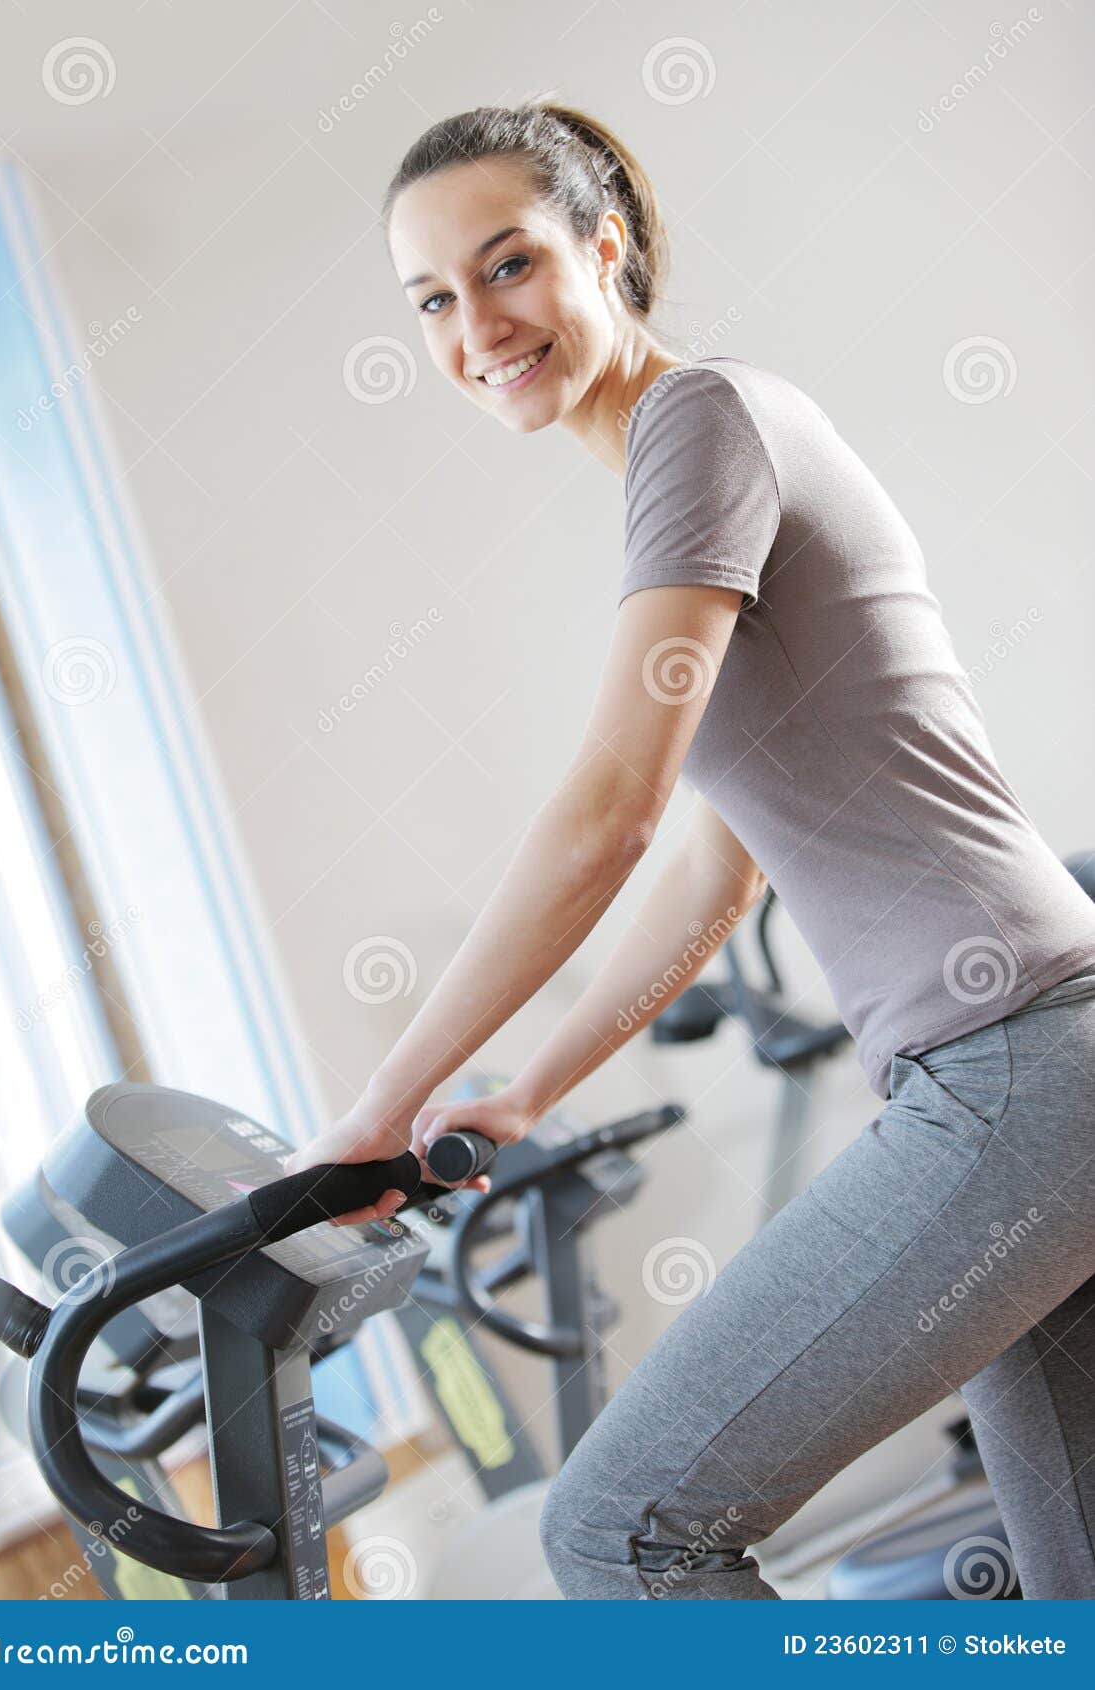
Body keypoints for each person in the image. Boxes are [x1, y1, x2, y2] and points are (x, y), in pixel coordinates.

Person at [285, 99, 1095, 1599]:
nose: (477, 324)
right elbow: (717, 871)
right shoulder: (713, 450)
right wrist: (526, 1084)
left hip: (1012, 1073)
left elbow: (613, 808)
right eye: (434, 300)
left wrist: (376, 1107)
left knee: (620, 1532)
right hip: (1041, 1070)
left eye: (510, 263)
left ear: (607, 250)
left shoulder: (700, 421)